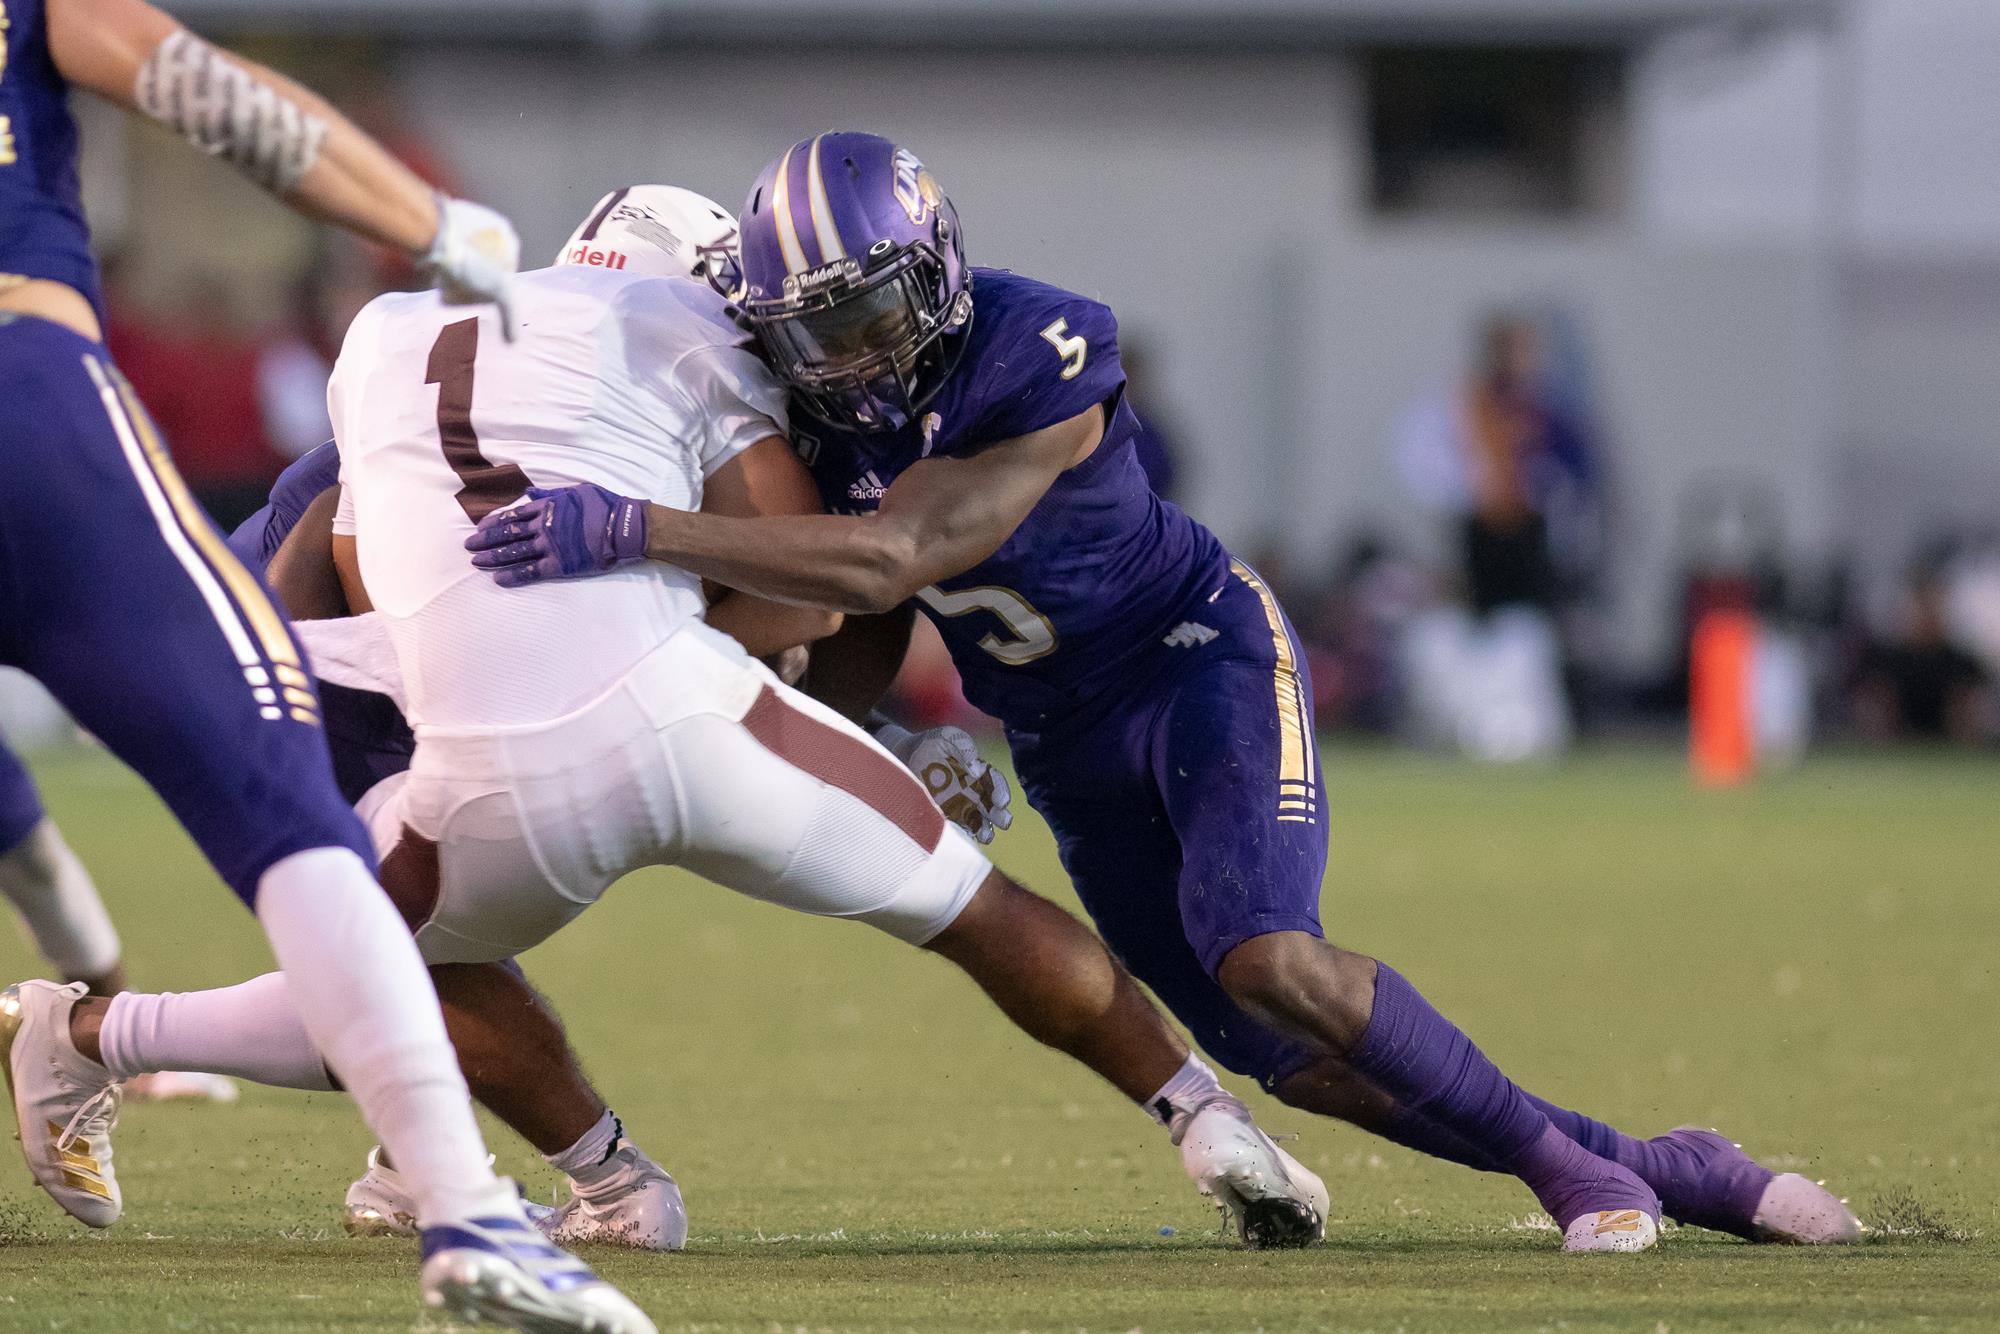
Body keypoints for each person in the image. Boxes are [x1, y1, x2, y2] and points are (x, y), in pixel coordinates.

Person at [476, 132, 1862, 1252]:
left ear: (936, 269)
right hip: (1062, 737)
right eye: (817, 330)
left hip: (1192, 653)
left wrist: (635, 528)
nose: (856, 355)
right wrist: (891, 738)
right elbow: (857, 614)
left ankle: (1575, 1174)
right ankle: (1669, 1164)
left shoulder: (1040, 342)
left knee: (1270, 955)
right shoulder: (823, 414)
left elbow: (901, 545)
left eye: (878, 309)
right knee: (1285, 1051)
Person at [50, 186, 1329, 1252]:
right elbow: (806, 588)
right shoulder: (689, 332)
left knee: (376, 973)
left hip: (358, 696)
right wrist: (874, 735)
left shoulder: (392, 329)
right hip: (642, 713)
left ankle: (118, 1039)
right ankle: (1198, 1112)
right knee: (971, 909)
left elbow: (340, 572)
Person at [0, 2, 650, 1329]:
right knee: (286, 797)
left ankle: (78, 1015)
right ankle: (468, 1217)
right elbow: (206, 90)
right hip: (28, 405)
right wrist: (430, 223)